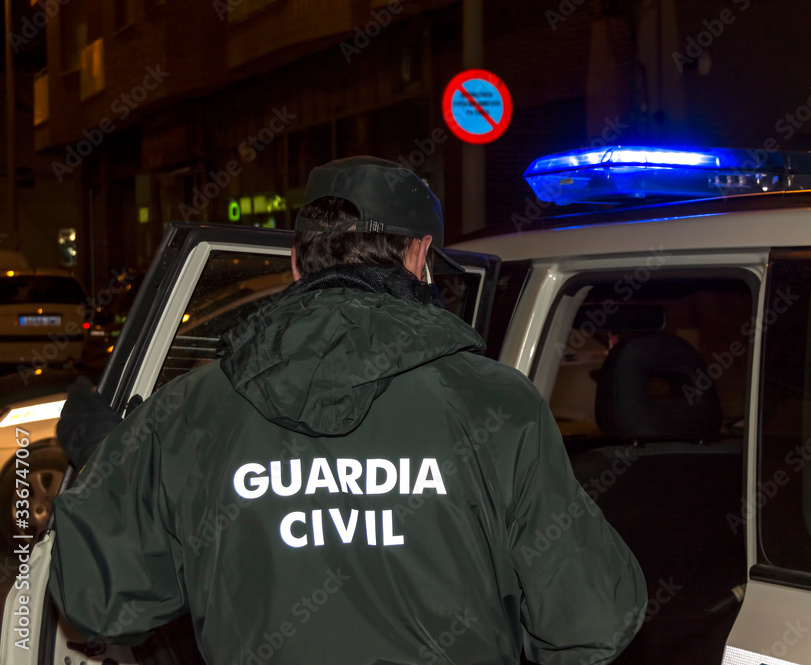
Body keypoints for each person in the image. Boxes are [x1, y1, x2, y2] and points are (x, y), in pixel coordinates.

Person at [48, 156, 647, 664]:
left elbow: (103, 600)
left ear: (295, 261)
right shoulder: (496, 402)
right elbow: (591, 618)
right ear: (420, 256)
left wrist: (116, 460)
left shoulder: (192, 409)